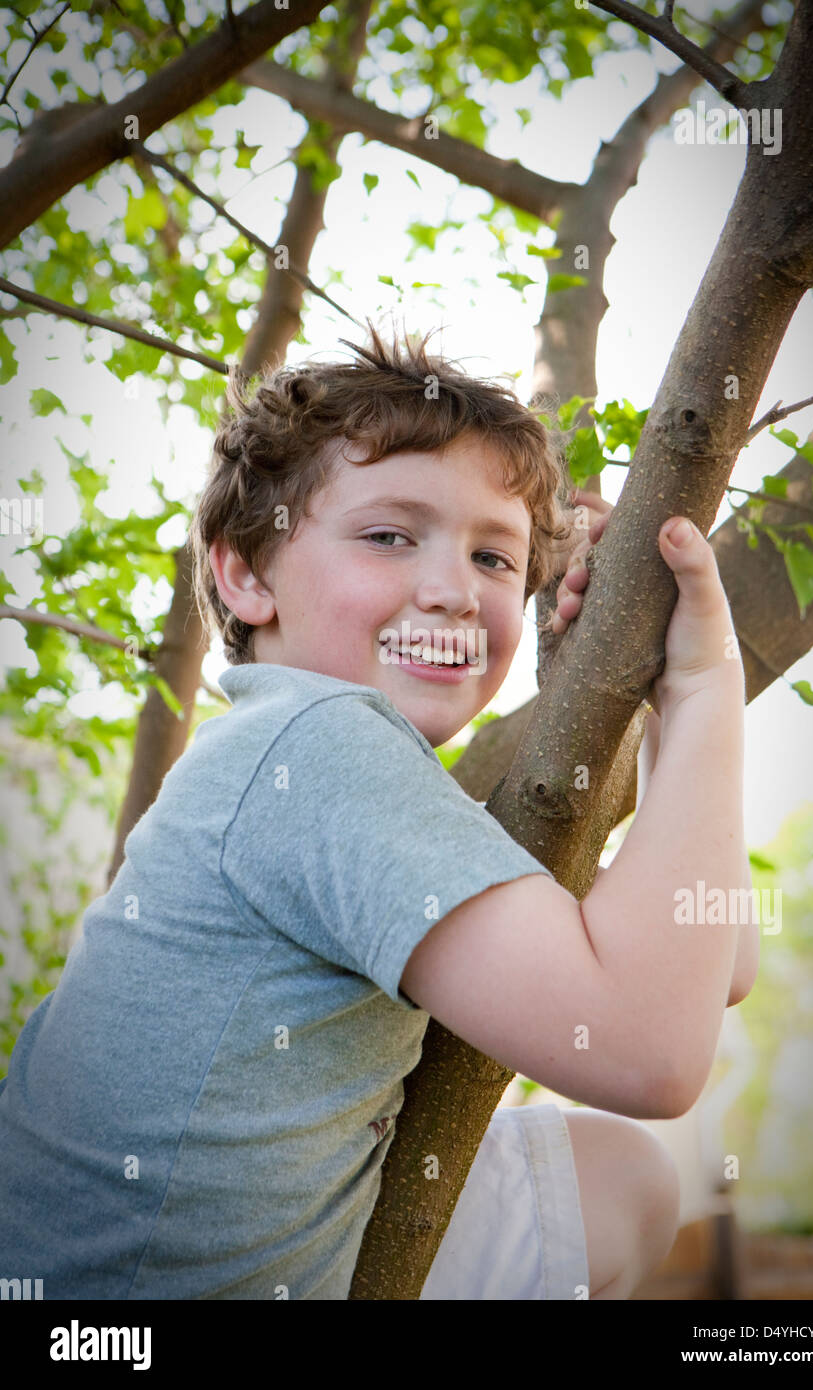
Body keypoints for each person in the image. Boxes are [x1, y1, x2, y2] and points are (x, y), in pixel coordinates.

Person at [0, 325, 758, 1300]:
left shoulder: (326, 782)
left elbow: (712, 962)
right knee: (627, 1177)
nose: (448, 589)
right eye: (389, 535)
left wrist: (654, 706)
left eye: (494, 558)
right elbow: (651, 1053)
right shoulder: (319, 747)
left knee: (618, 1181)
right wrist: (703, 691)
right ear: (245, 573)